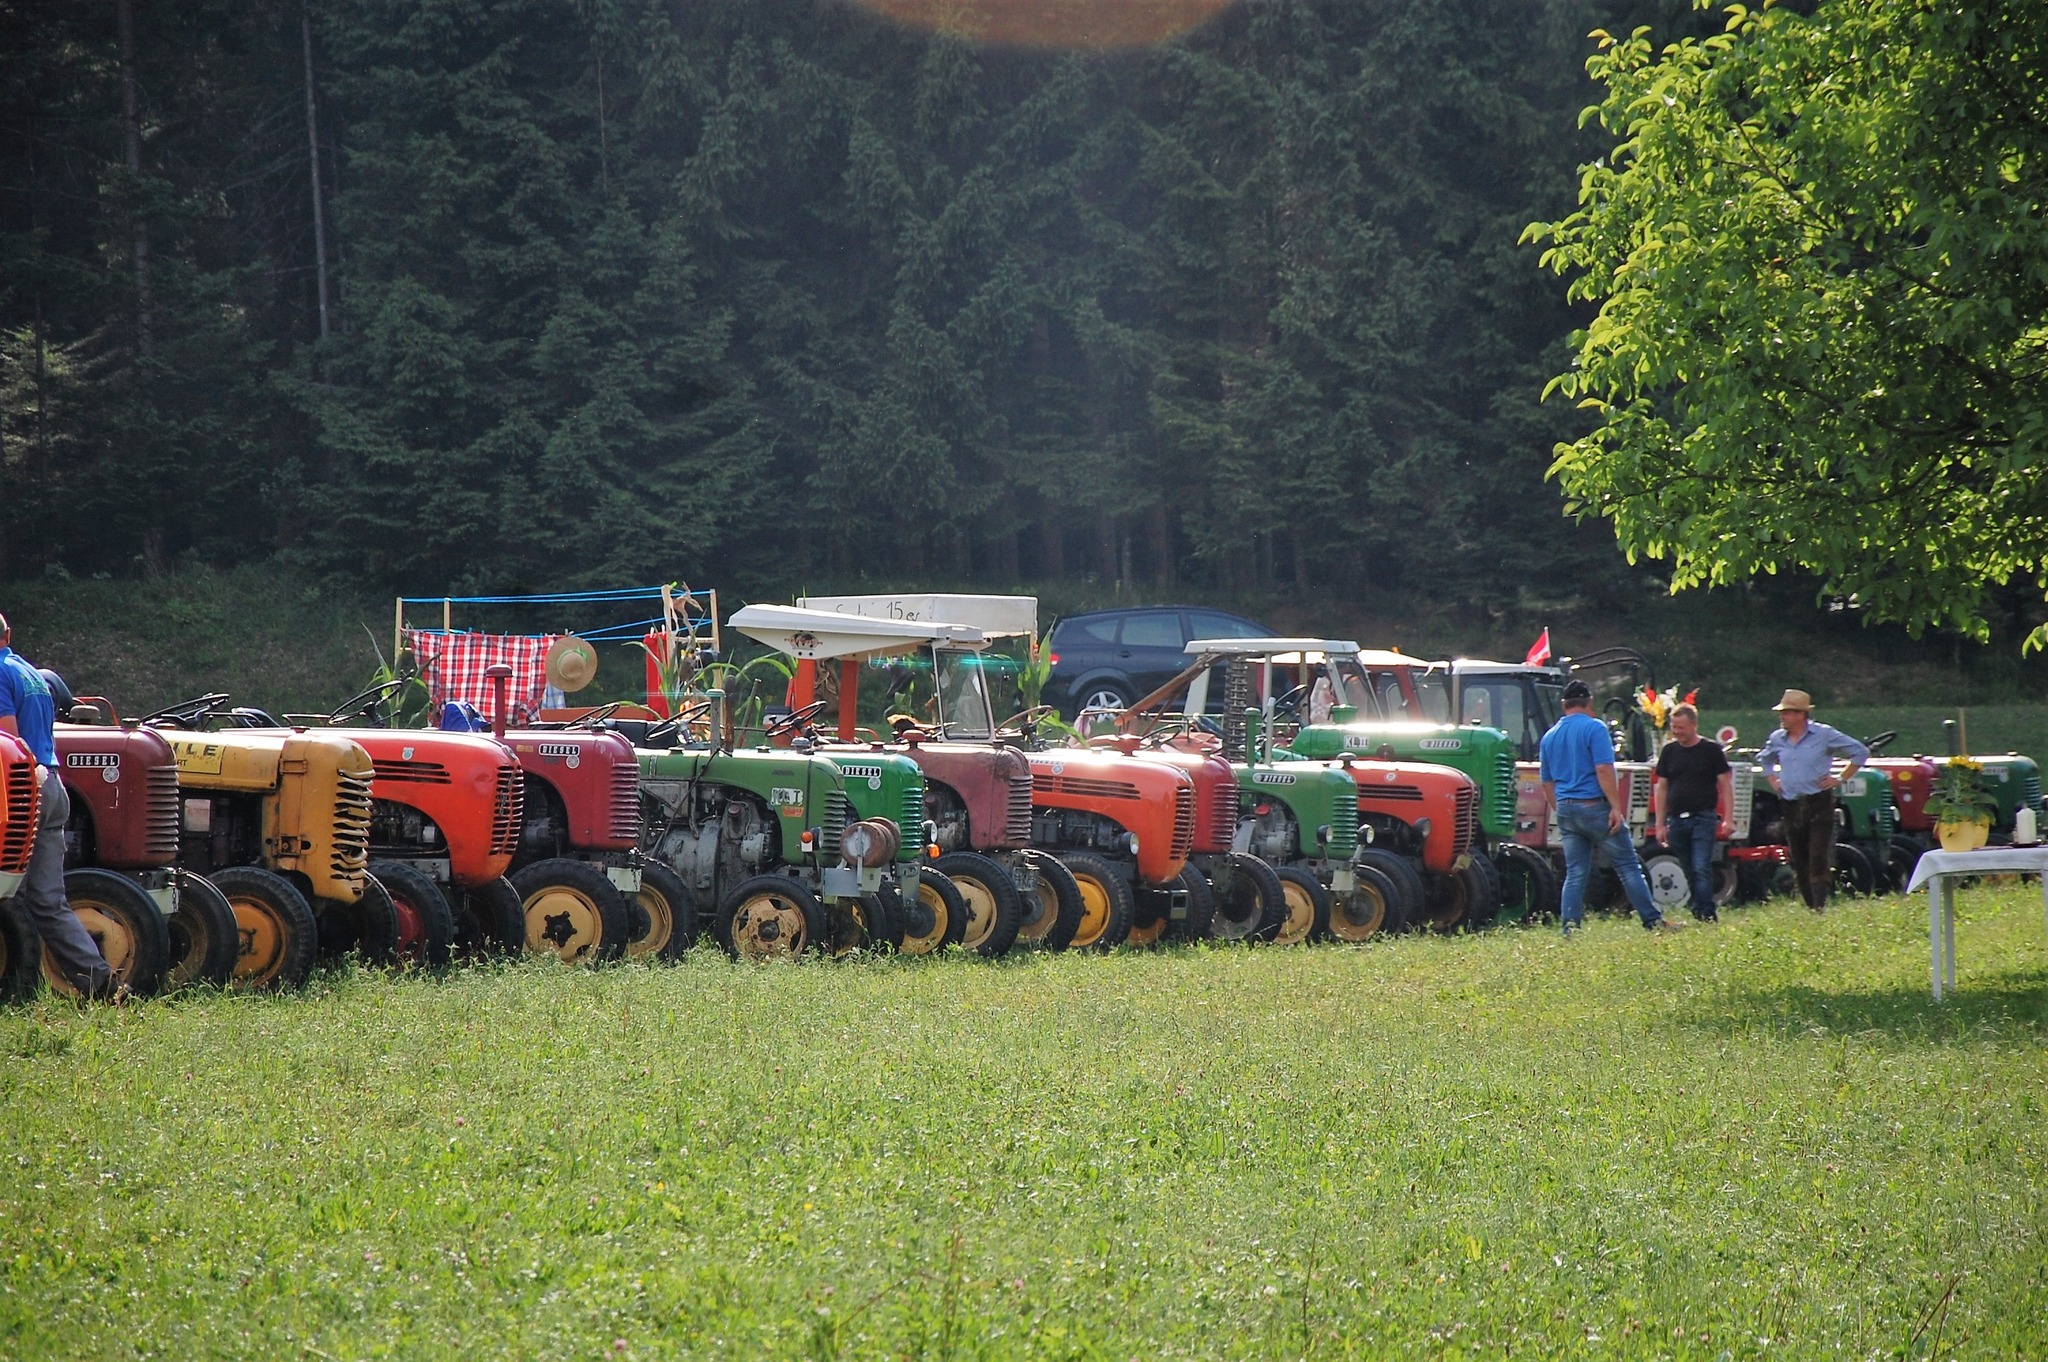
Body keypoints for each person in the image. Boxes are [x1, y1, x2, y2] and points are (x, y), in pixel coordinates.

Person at [0, 612, 116, 998]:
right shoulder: (30, 672)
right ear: (9, 634)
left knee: (7, 890)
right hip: (52, 784)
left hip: (18, 786)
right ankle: (98, 980)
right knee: (47, 899)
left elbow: (9, 741)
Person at [1539, 678, 1674, 934]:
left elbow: (1546, 781)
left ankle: (1569, 929)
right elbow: (1603, 769)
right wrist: (1615, 807)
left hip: (1566, 808)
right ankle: (1653, 921)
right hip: (1593, 806)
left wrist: (1560, 808)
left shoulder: (1549, 736)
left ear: (1563, 704)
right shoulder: (1595, 728)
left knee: (1576, 872)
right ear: (1589, 702)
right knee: (1627, 865)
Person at [1756, 689, 1868, 911]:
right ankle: (1809, 905)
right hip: (1790, 803)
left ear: (1800, 715)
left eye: (1786, 713)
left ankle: (1819, 905)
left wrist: (1839, 779)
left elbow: (1859, 752)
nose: (1782, 717)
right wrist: (1773, 780)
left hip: (1818, 801)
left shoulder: (1823, 734)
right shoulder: (1778, 738)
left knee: (1817, 854)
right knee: (1798, 856)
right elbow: (1764, 759)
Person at [1651, 703, 1734, 921]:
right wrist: (1660, 824)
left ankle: (1707, 914)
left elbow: (1725, 784)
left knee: (1700, 866)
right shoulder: (1669, 751)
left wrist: (1728, 819)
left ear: (1694, 725)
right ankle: (1698, 908)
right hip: (1676, 820)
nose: (1677, 732)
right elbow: (1662, 788)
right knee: (1688, 868)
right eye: (1674, 727)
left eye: (1681, 727)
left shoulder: (1711, 750)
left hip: (1703, 818)